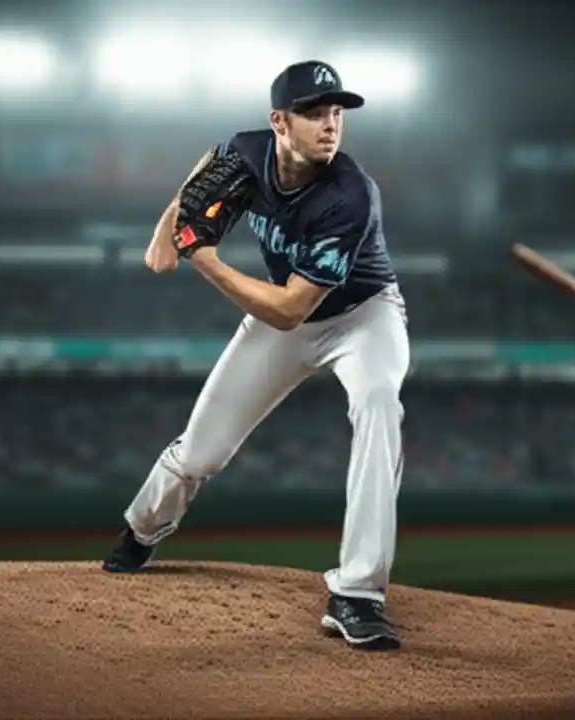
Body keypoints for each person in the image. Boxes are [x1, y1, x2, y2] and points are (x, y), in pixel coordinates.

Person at [101, 60, 408, 651]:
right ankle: (141, 530)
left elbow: (290, 309)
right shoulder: (243, 154)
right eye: (314, 112)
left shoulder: (349, 194)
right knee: (202, 450)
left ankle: (357, 594)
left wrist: (207, 258)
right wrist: (178, 213)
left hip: (363, 315)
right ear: (279, 122)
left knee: (378, 403)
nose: (330, 124)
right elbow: (176, 226)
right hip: (282, 316)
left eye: (337, 113)